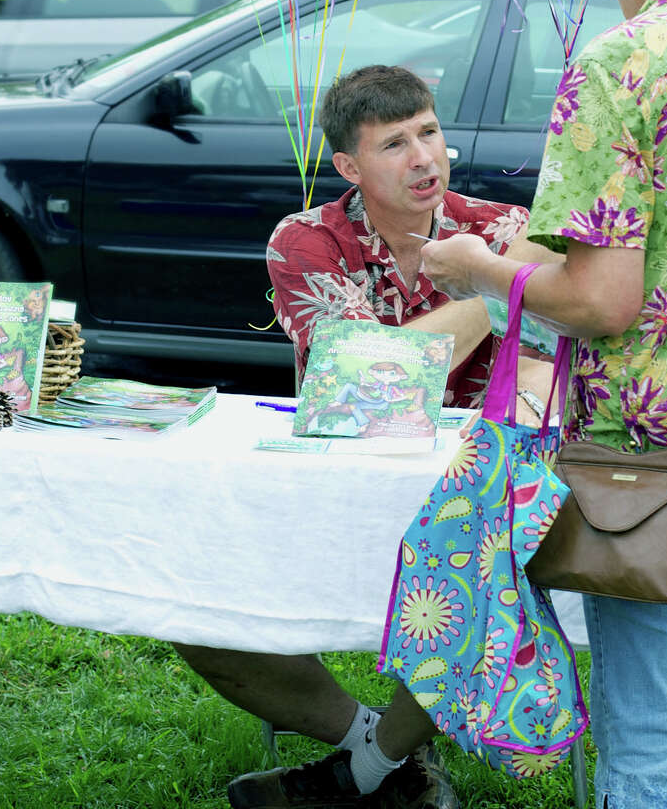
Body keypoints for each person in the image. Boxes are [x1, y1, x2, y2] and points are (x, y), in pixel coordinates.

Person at [420, 0, 667, 808]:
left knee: (650, 742)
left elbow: (604, 300)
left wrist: (483, 267)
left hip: (652, 448)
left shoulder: (619, 66)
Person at [174, 64, 557, 808]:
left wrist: (498, 267)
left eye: (430, 133)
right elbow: (371, 383)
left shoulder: (502, 228)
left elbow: (552, 371)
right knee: (193, 601)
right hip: (335, 496)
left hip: (473, 498)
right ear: (349, 166)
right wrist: (497, 285)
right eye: (394, 145)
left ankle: (368, 772)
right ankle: (373, 742)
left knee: (486, 570)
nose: (425, 159)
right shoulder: (308, 240)